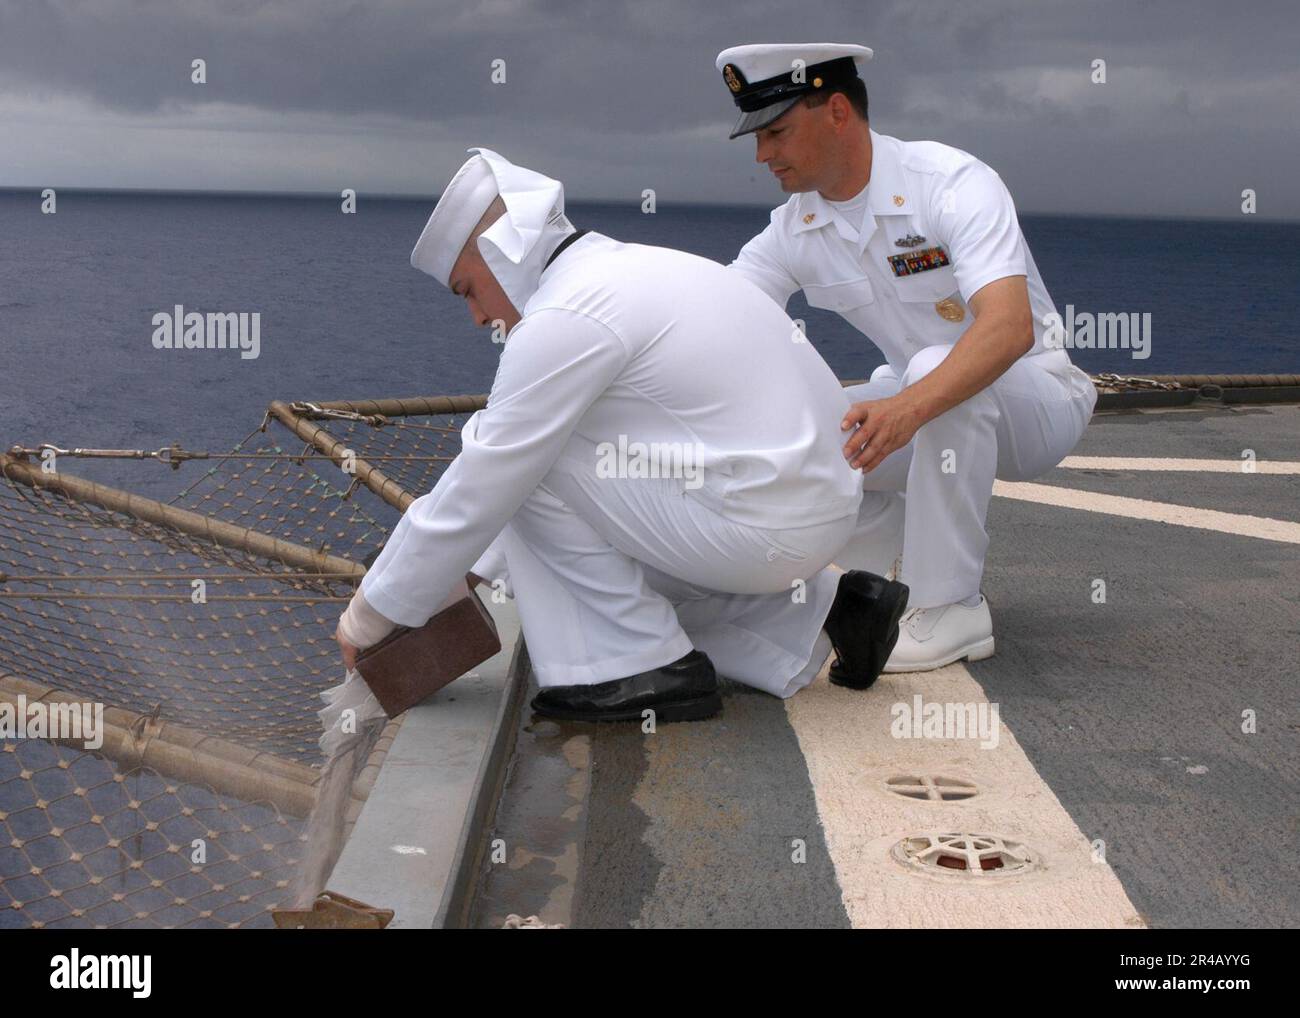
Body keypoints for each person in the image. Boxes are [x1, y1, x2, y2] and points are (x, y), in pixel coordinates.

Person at [334, 147, 910, 723]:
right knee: (589, 530)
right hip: (810, 507)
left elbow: (486, 480)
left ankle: (637, 666)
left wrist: (372, 612)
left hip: (771, 524)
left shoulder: (568, 315)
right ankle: (834, 611)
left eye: (467, 290)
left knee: (525, 460)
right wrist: (468, 568)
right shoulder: (636, 267)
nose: (477, 317)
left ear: (497, 253)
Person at [714, 43, 1099, 673]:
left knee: (924, 375)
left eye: (776, 131)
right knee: (810, 434)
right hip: (925, 401)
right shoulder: (796, 226)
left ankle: (952, 607)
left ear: (836, 110)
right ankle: (885, 577)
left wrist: (904, 411)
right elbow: (717, 314)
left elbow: (1008, 329)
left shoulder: (949, 184)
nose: (763, 156)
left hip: (1037, 399)